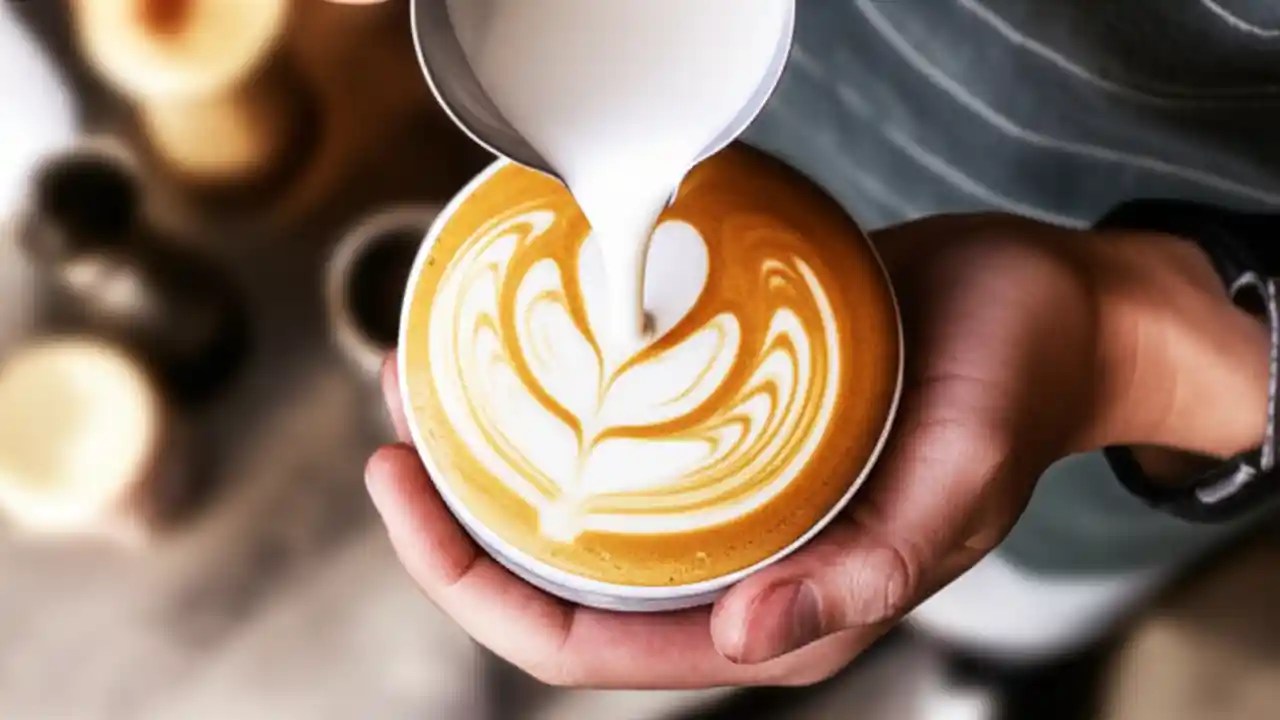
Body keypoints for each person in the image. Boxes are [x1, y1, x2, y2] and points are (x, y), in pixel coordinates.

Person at [355, 0, 1280, 700]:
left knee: (1008, 605)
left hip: (1101, 427)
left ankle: (985, 665)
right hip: (728, 104)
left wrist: (1115, 344)